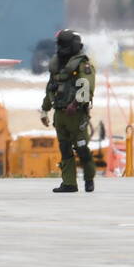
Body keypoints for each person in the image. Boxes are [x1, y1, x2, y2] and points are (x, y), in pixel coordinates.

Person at [41, 29, 96, 193]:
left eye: (62, 44)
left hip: (76, 115)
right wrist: (45, 110)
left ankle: (89, 180)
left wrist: (76, 104)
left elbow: (87, 86)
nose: (59, 47)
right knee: (64, 149)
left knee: (82, 148)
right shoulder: (57, 65)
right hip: (60, 114)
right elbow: (50, 88)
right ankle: (69, 183)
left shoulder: (83, 65)